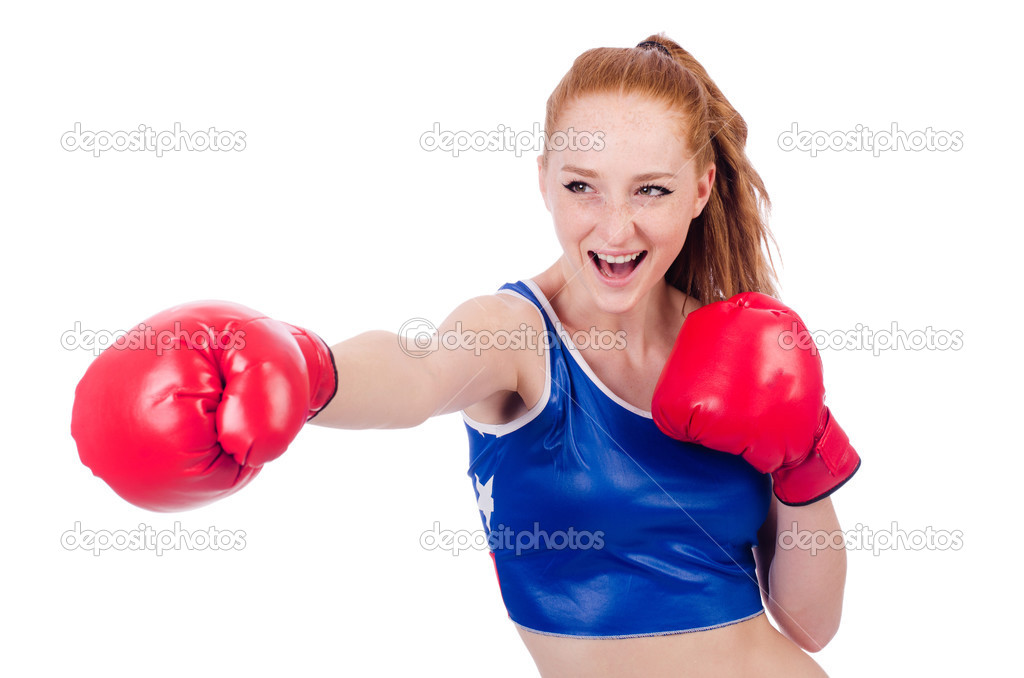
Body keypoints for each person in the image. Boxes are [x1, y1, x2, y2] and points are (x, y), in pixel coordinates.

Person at [71, 34, 860, 677]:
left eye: (650, 190)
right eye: (584, 186)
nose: (615, 230)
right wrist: (313, 373)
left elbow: (810, 626)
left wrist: (805, 462)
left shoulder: (743, 349)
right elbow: (419, 372)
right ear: (544, 180)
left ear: (699, 188)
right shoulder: (519, 335)